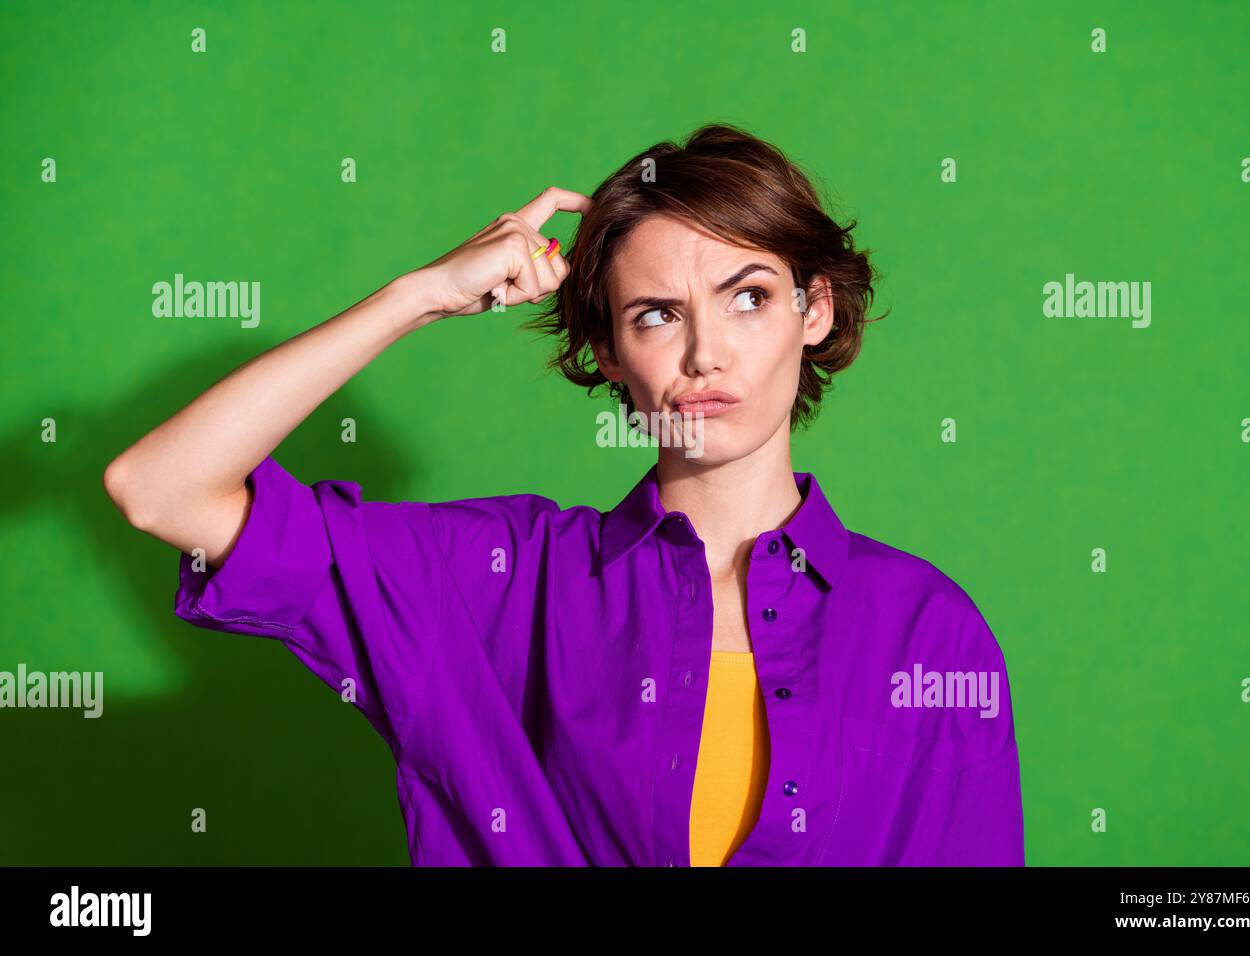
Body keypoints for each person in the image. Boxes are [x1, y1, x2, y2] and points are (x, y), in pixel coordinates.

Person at [103, 123, 1025, 866]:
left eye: (748, 296)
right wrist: (418, 296)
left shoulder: (928, 631)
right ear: (611, 359)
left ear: (812, 310)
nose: (706, 354)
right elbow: (159, 488)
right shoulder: (503, 581)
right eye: (656, 315)